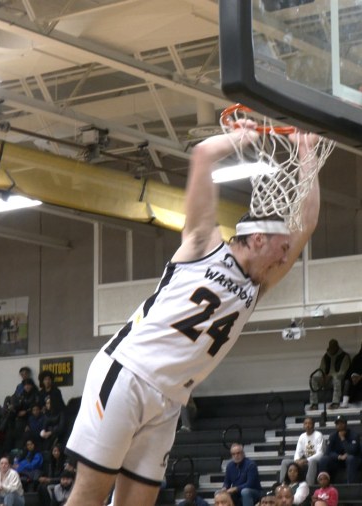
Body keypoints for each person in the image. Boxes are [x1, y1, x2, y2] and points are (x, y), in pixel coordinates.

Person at [64, 127, 323, 506]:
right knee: (89, 495)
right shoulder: (203, 244)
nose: (286, 259)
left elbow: (308, 224)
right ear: (256, 239)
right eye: (281, 250)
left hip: (170, 400)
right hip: (128, 375)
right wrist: (245, 136)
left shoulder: (256, 286)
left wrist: (306, 153)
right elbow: (202, 154)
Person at [278, 417, 324, 485]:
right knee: (284, 462)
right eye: (305, 423)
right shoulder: (302, 436)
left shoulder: (318, 435)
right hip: (303, 461)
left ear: (313, 425)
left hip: (314, 460)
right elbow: (298, 451)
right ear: (303, 425)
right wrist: (297, 460)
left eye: (309, 423)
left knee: (312, 462)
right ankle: (282, 484)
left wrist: (306, 460)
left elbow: (320, 454)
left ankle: (309, 485)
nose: (307, 425)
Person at [309, 339, 351, 410]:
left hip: (340, 381)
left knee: (337, 379)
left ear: (337, 348)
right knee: (313, 379)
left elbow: (342, 373)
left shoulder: (344, 356)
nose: (331, 351)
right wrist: (322, 377)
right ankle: (314, 404)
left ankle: (335, 403)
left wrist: (331, 376)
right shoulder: (326, 357)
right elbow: (321, 369)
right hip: (326, 379)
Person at [319, 417, 362, 484]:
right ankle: (323, 484)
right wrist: (339, 456)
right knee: (324, 459)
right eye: (337, 424)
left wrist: (343, 439)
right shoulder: (333, 436)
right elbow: (328, 452)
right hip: (338, 460)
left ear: (345, 424)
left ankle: (351, 485)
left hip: (354, 459)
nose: (339, 425)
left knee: (350, 458)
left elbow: (353, 451)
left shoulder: (354, 435)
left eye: (341, 423)